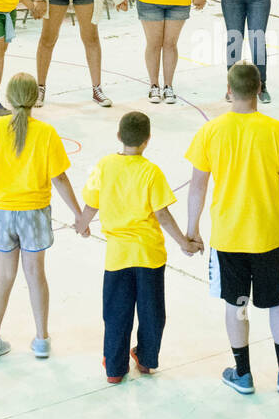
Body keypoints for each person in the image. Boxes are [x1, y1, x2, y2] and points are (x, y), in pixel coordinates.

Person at [185, 62, 279, 395]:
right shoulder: (276, 130)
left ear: (228, 91)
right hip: (268, 234)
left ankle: (242, 373)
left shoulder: (210, 132)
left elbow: (197, 185)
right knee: (278, 301)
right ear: (259, 89)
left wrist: (192, 227)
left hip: (228, 236)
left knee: (236, 304)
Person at [0, 72, 85, 362]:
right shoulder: (46, 133)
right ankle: (41, 339)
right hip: (34, 212)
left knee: (3, 276)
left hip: (0, 212)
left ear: (8, 97)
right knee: (35, 275)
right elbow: (61, 178)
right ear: (34, 100)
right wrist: (79, 214)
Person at [77, 111, 202, 383]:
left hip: (118, 257)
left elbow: (91, 204)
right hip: (149, 256)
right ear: (147, 140)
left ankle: (114, 368)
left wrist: (82, 224)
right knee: (152, 312)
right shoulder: (151, 172)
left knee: (116, 313)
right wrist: (184, 242)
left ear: (119, 136)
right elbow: (163, 216)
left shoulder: (104, 166)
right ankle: (145, 360)